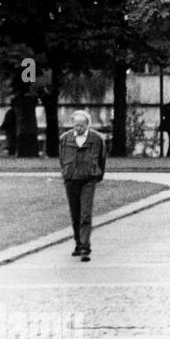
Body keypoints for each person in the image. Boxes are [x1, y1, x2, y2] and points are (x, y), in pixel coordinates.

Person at [59, 111, 107, 262]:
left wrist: (97, 175)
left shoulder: (97, 139)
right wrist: (66, 173)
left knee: (85, 212)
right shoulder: (65, 138)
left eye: (81, 125)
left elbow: (102, 158)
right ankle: (78, 243)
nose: (78, 128)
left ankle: (85, 246)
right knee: (75, 213)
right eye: (76, 125)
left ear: (87, 125)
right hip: (71, 179)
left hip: (88, 179)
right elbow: (62, 158)